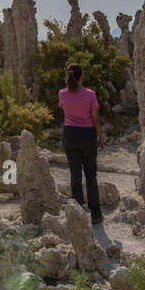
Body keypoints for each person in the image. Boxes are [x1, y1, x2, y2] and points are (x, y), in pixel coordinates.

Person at [58, 63, 104, 224]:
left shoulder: (62, 94)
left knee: (75, 174)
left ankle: (78, 213)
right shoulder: (90, 95)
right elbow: (96, 119)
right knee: (91, 174)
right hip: (87, 135)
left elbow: (64, 109)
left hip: (69, 134)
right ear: (81, 76)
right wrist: (101, 136)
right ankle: (96, 214)